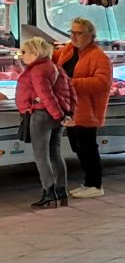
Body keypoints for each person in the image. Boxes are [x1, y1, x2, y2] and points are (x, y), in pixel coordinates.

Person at [53, 18, 112, 200]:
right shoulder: (68, 50)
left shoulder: (99, 57)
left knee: (88, 147)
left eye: (78, 33)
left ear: (90, 36)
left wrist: (72, 84)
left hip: (88, 110)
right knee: (78, 147)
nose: (73, 36)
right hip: (70, 109)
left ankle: (95, 184)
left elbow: (102, 82)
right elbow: (51, 58)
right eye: (71, 32)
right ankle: (88, 183)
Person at [14, 37, 75, 210]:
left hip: (41, 115)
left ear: (35, 53)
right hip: (56, 116)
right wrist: (67, 114)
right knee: (55, 152)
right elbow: (71, 92)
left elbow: (46, 95)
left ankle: (49, 193)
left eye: (24, 52)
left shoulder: (37, 70)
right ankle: (61, 191)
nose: (21, 55)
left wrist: (58, 115)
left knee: (41, 155)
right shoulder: (56, 68)